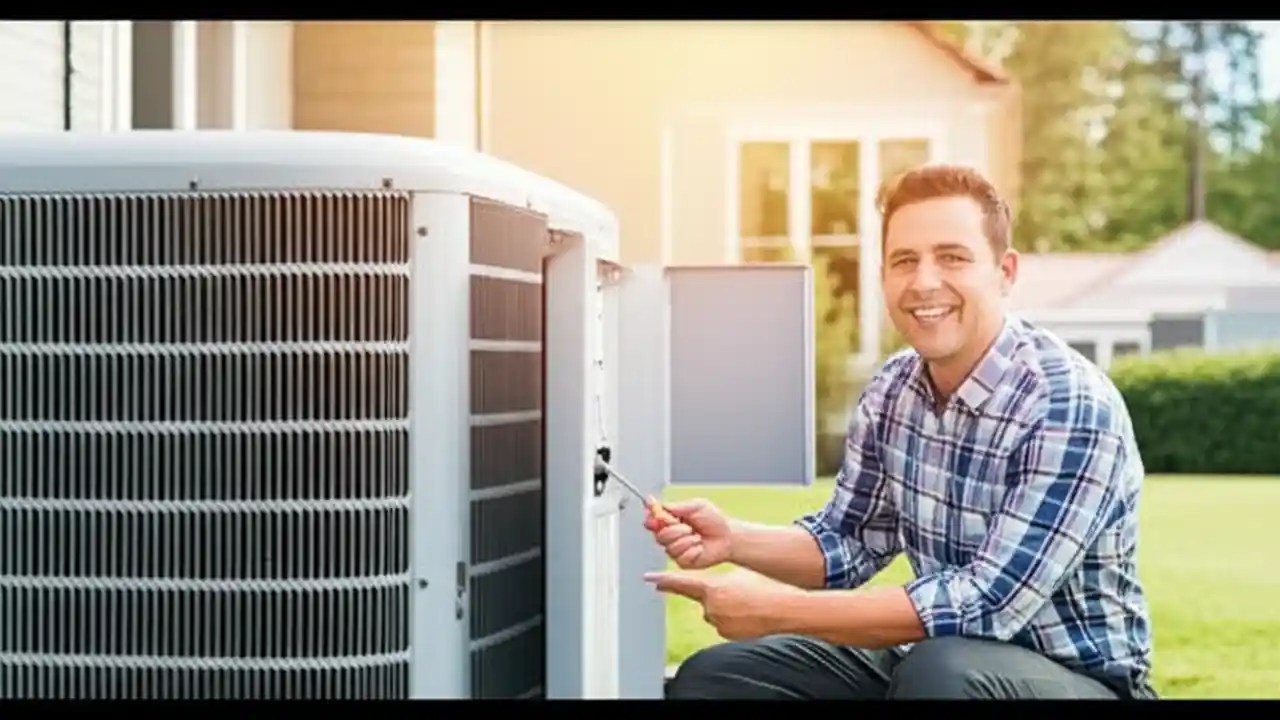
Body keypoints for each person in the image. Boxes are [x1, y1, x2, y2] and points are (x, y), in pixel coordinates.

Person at [644, 164, 1156, 701]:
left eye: (952, 258)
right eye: (904, 261)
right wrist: (734, 539)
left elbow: (987, 603)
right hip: (934, 659)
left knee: (941, 674)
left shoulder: (1067, 402)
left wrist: (773, 611)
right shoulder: (894, 390)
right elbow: (848, 542)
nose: (924, 282)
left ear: (1005, 272)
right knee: (718, 679)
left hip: (1077, 680)